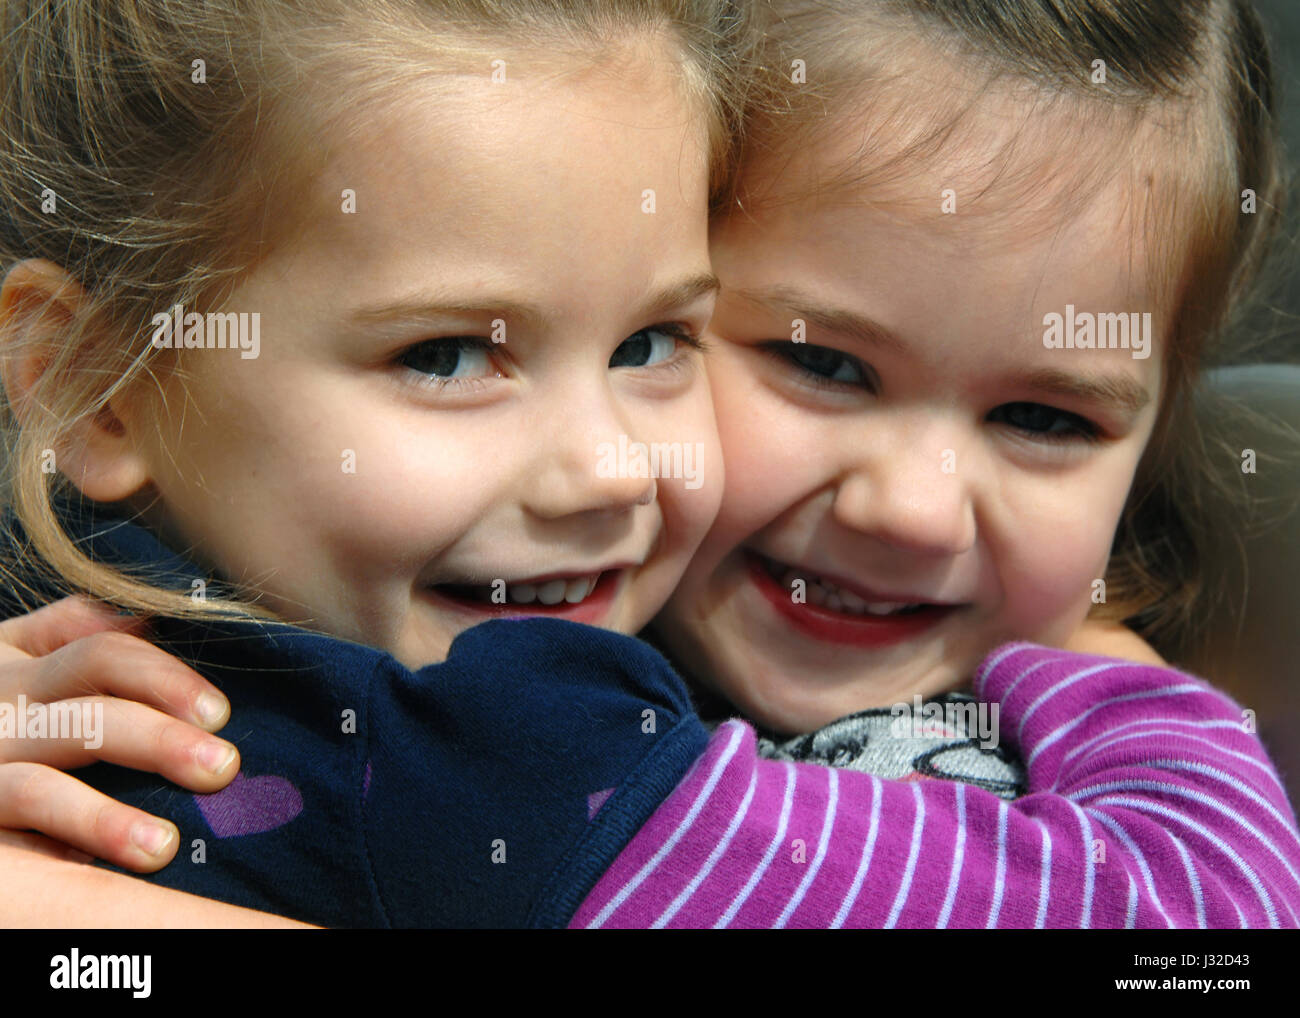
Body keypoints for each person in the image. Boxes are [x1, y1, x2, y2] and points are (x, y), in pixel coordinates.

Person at [2, 0, 1298, 927]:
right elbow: (1204, 912)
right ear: (92, 385)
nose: (608, 470)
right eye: (450, 355)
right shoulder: (523, 747)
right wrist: (1098, 662)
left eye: (651, 341)